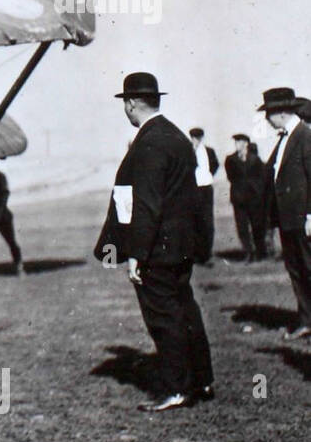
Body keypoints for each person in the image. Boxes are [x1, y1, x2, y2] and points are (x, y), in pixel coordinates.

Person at [95, 73, 213, 411]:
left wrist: (137, 254)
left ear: (131, 103)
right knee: (185, 310)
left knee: (164, 318)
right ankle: (201, 380)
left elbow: (147, 203)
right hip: (180, 246)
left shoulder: (148, 142)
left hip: (157, 249)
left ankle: (176, 388)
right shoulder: (176, 136)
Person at [258, 87, 311, 339]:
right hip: (288, 219)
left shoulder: (305, 136)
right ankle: (306, 320)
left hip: (303, 220)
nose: (267, 119)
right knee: (297, 269)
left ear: (280, 112)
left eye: (268, 113)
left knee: (308, 268)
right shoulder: (286, 139)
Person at [224, 133, 267, 262]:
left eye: (239, 142)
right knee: (242, 227)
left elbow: (262, 177)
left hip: (254, 198)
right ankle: (248, 252)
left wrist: (256, 189)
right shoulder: (230, 159)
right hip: (238, 198)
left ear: (246, 143)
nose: (236, 145)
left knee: (257, 225)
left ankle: (260, 251)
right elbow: (230, 177)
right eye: (235, 142)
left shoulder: (255, 159)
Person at [189, 127, 220, 264]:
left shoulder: (209, 151)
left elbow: (215, 164)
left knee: (207, 221)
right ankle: (196, 253)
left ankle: (206, 254)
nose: (196, 140)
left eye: (198, 137)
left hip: (206, 188)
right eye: (194, 137)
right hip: (193, 188)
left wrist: (208, 176)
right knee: (194, 220)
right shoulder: (188, 151)